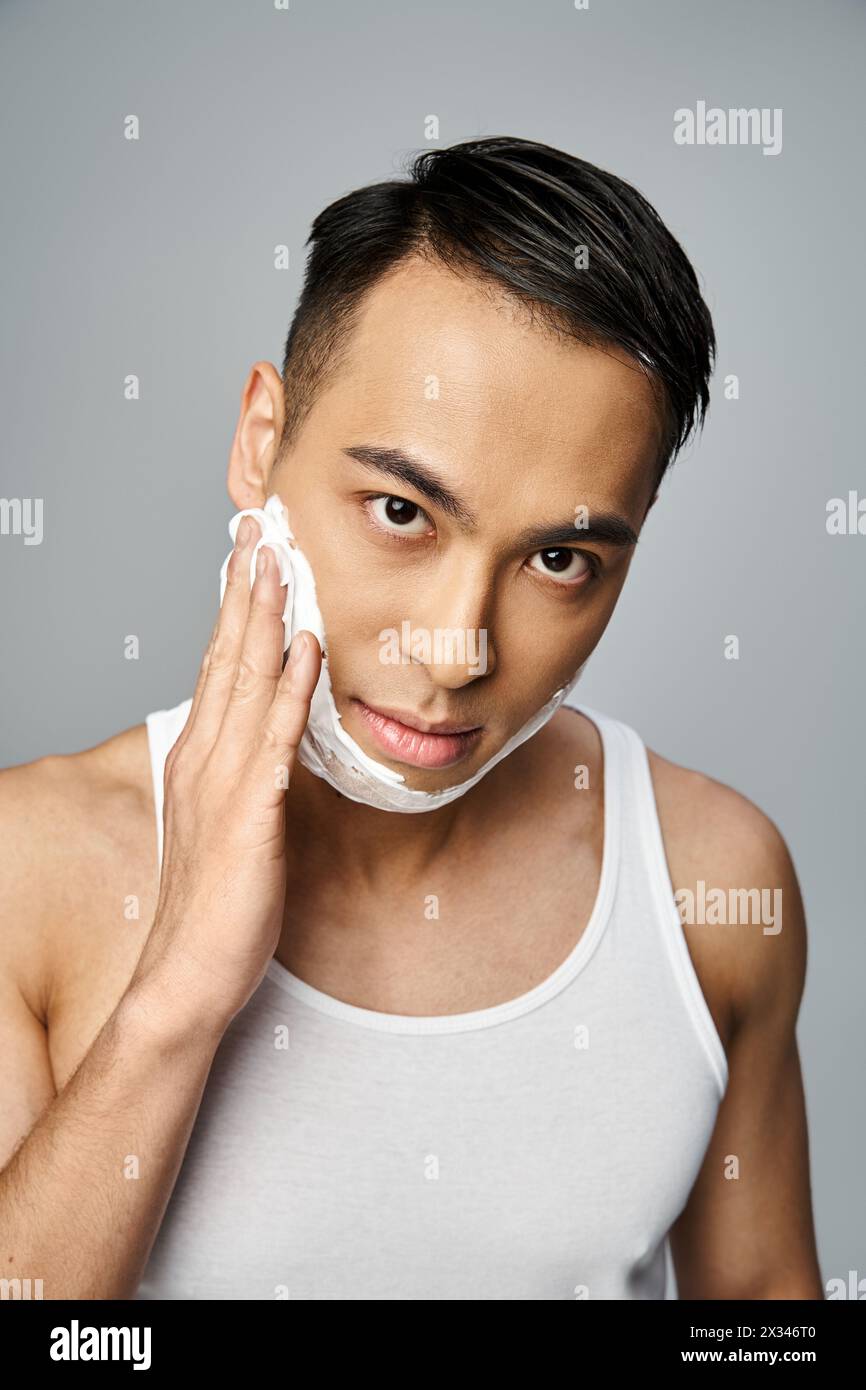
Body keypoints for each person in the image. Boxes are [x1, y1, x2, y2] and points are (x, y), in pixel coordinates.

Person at [0, 137, 823, 1300]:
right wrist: (176, 992)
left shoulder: (711, 882)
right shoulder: (27, 867)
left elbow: (764, 1320)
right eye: (399, 510)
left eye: (558, 559)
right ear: (260, 441)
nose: (456, 648)